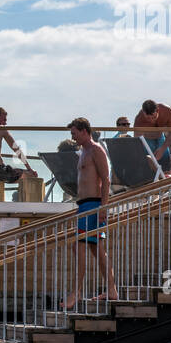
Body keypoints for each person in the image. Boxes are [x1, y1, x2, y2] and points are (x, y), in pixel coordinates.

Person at [63, 118, 119, 310]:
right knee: (97, 249)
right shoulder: (82, 153)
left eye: (74, 133)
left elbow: (106, 179)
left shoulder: (95, 150)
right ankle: (111, 290)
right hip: (85, 205)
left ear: (84, 131)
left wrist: (104, 207)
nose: (73, 137)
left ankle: (76, 292)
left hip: (94, 206)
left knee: (79, 245)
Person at [0, 107, 37, 183]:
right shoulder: (1, 129)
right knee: (31, 175)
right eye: (4, 120)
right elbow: (16, 149)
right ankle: (20, 195)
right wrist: (30, 169)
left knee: (10, 170)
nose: (5, 123)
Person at [133, 99, 171, 171]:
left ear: (157, 110)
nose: (151, 120)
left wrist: (163, 148)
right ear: (144, 113)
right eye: (148, 118)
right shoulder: (139, 119)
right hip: (146, 142)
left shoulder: (168, 111)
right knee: (147, 167)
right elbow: (138, 141)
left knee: (166, 166)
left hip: (161, 138)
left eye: (153, 117)